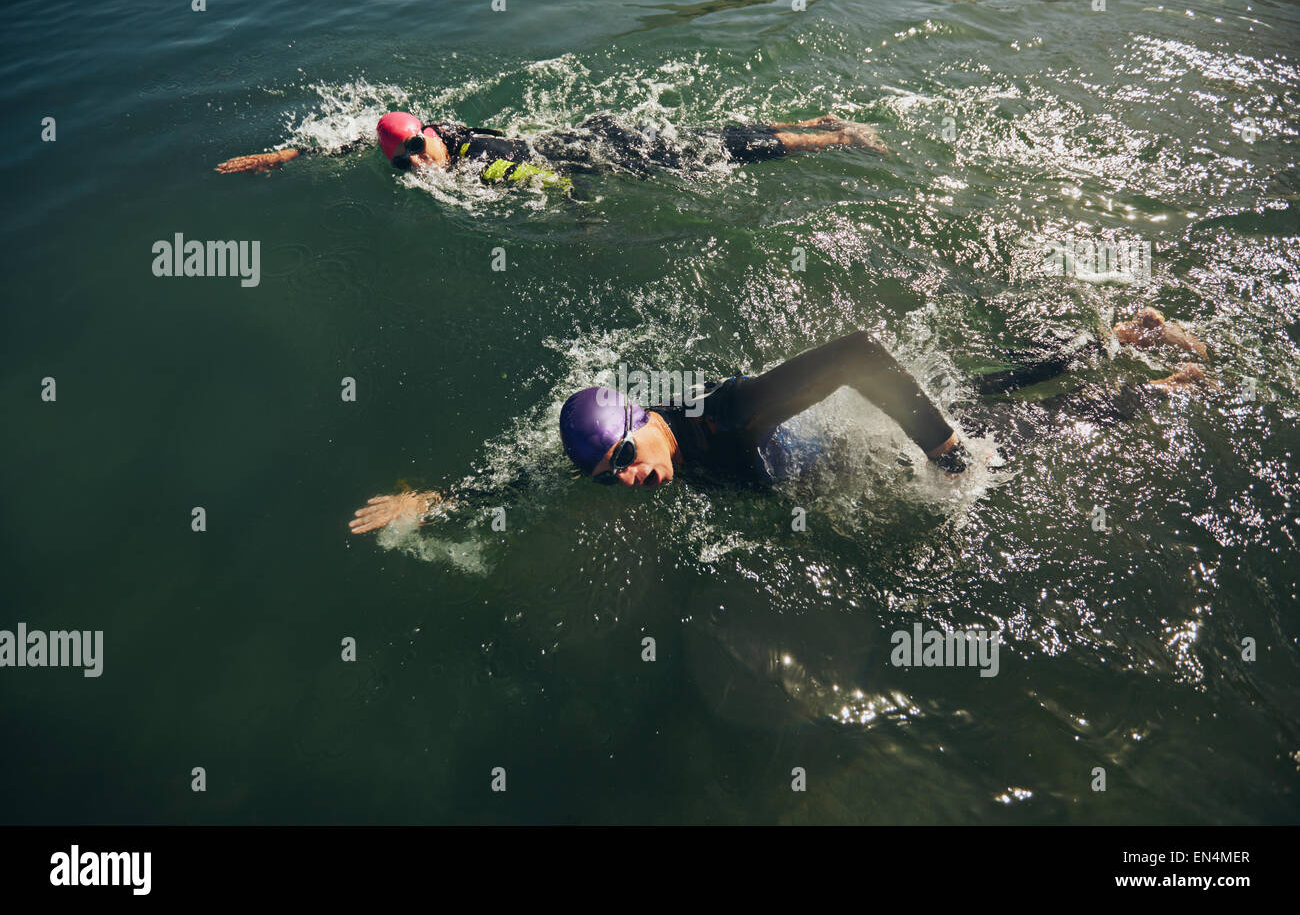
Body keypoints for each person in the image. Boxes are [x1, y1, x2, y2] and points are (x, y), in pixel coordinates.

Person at [348, 307, 1212, 535]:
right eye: (609, 473)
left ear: (645, 418)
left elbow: (859, 355)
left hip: (865, 447)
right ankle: (1116, 335)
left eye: (624, 455)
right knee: (994, 387)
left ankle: (1165, 379)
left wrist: (943, 452)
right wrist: (434, 497)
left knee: (1015, 427)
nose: (628, 475)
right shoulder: (627, 456)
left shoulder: (725, 417)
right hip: (828, 459)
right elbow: (536, 474)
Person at [215, 110, 889, 191]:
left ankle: (838, 135)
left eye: (416, 149)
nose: (416, 162)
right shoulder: (441, 136)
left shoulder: (479, 160)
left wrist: (584, 223)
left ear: (427, 135)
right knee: (715, 143)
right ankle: (818, 123)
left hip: (605, 150)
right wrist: (286, 155)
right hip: (582, 138)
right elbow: (354, 137)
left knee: (723, 154)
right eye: (401, 162)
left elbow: (555, 184)